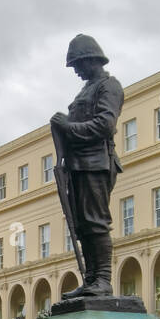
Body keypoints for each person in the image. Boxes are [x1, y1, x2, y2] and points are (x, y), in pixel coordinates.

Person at [50, 34, 124, 297]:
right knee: (81, 225)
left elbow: (105, 125)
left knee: (95, 222)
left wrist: (68, 127)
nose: (77, 72)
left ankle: (103, 279)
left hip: (97, 163)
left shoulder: (109, 86)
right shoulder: (85, 90)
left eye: (78, 65)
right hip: (78, 165)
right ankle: (92, 280)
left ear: (91, 59)